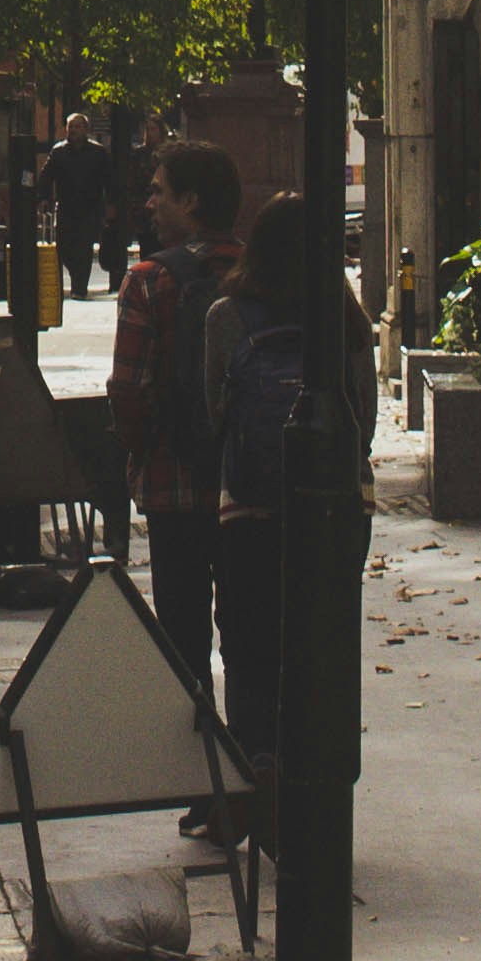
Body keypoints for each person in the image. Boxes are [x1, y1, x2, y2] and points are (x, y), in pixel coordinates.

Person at [200, 190, 357, 810]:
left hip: (248, 510)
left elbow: (213, 413)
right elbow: (363, 417)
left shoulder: (226, 316)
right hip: (332, 514)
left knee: (246, 642)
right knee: (321, 638)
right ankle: (313, 769)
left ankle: (255, 761)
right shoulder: (344, 315)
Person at [102, 142, 241, 816]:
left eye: (160, 191)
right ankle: (254, 774)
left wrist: (137, 453)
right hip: (249, 491)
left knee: (182, 640)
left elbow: (126, 390)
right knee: (247, 637)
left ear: (192, 201)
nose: (150, 203)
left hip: (173, 488)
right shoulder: (260, 270)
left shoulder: (148, 280)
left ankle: (206, 784)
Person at [42, 119, 114, 296]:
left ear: (86, 129)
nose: (74, 130)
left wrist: (110, 204)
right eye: (71, 127)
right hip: (66, 207)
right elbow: (46, 176)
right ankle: (75, 276)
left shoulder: (98, 152)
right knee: (64, 248)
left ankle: (80, 288)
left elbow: (109, 180)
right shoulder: (58, 151)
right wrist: (44, 198)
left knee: (84, 248)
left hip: (90, 208)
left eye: (78, 127)